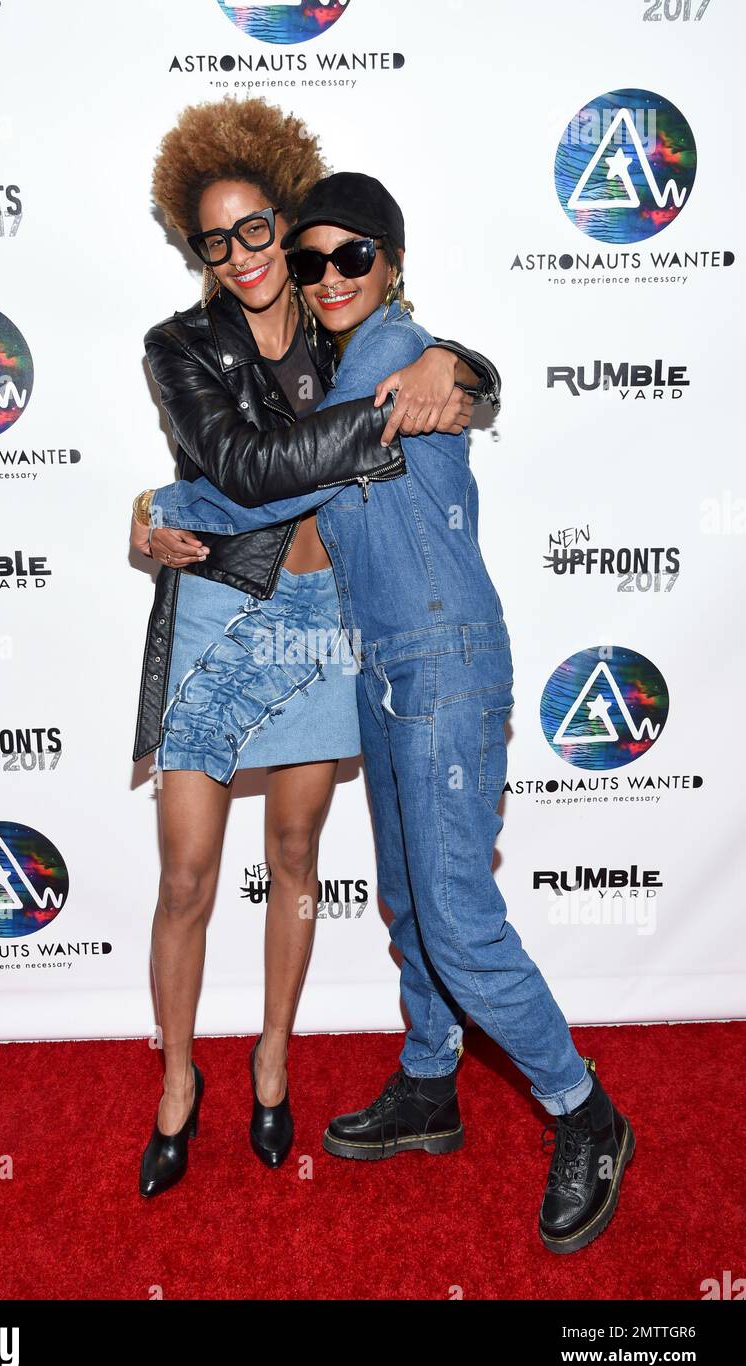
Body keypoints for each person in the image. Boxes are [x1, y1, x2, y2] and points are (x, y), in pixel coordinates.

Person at [149, 171, 635, 1254]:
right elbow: (288, 458)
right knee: (413, 905)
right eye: (310, 261)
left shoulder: (383, 357)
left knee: (458, 921)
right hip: (382, 662)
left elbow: (270, 478)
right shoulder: (365, 357)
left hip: (442, 655)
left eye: (349, 257)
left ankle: (582, 1109)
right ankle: (429, 1080)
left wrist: (159, 505)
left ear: (392, 263)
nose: (326, 277)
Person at [129, 97, 501, 1198]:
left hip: (330, 628)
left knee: (295, 860)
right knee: (187, 872)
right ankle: (177, 1084)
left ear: (287, 228)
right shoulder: (178, 346)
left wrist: (458, 370)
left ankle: (273, 1058)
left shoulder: (344, 323)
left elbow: (443, 360)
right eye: (216, 237)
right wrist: (396, 409)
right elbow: (241, 470)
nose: (244, 255)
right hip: (219, 612)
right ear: (192, 246)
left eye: (260, 232)